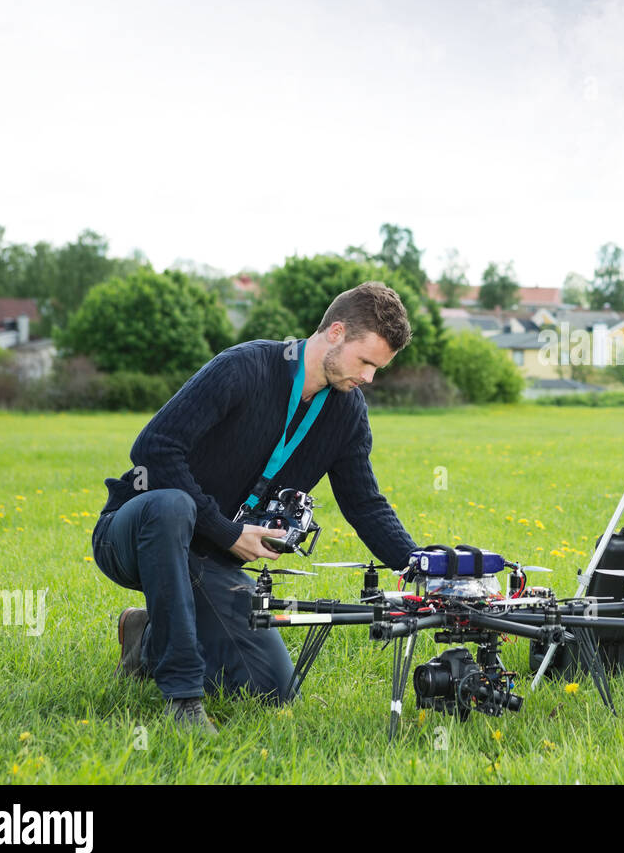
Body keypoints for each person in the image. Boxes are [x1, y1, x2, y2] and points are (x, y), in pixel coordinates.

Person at [91, 281, 419, 732]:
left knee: (272, 689)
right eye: (366, 362)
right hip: (137, 532)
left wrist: (419, 563)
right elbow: (154, 448)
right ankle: (182, 700)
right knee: (170, 506)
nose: (368, 378)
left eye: (378, 369)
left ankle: (149, 633)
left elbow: (364, 504)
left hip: (207, 558)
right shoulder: (244, 367)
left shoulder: (347, 412)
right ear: (336, 332)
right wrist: (227, 532)